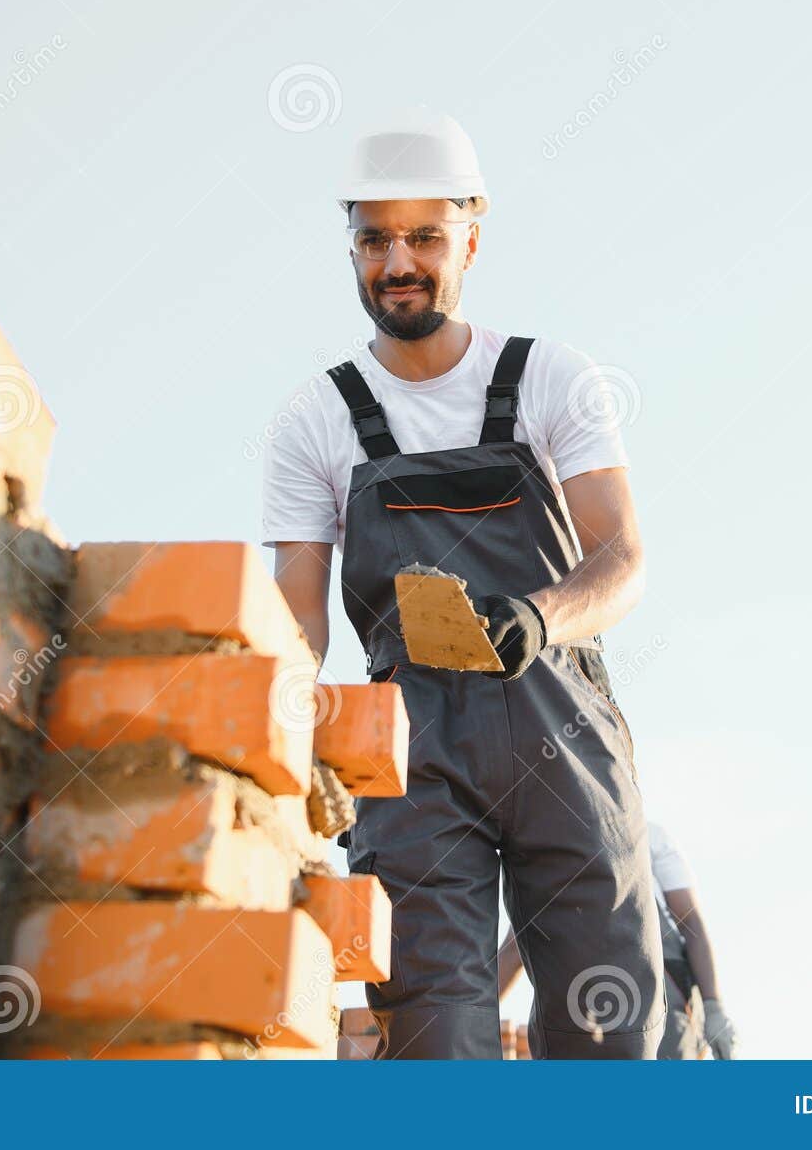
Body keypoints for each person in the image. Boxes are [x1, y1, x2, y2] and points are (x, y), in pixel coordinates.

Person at [262, 107, 664, 1059]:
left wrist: (537, 614)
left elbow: (623, 557)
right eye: (374, 239)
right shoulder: (315, 418)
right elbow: (296, 626)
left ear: (471, 238)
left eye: (425, 236)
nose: (398, 261)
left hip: (558, 722)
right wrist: (262, 749)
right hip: (411, 755)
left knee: (611, 1024)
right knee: (431, 1033)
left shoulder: (548, 377)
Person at [497, 820, 737, 1059]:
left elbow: (690, 921)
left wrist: (712, 1004)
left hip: (660, 1003)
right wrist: (468, 1013)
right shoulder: (553, 848)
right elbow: (515, 949)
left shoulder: (647, 836)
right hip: (582, 1006)